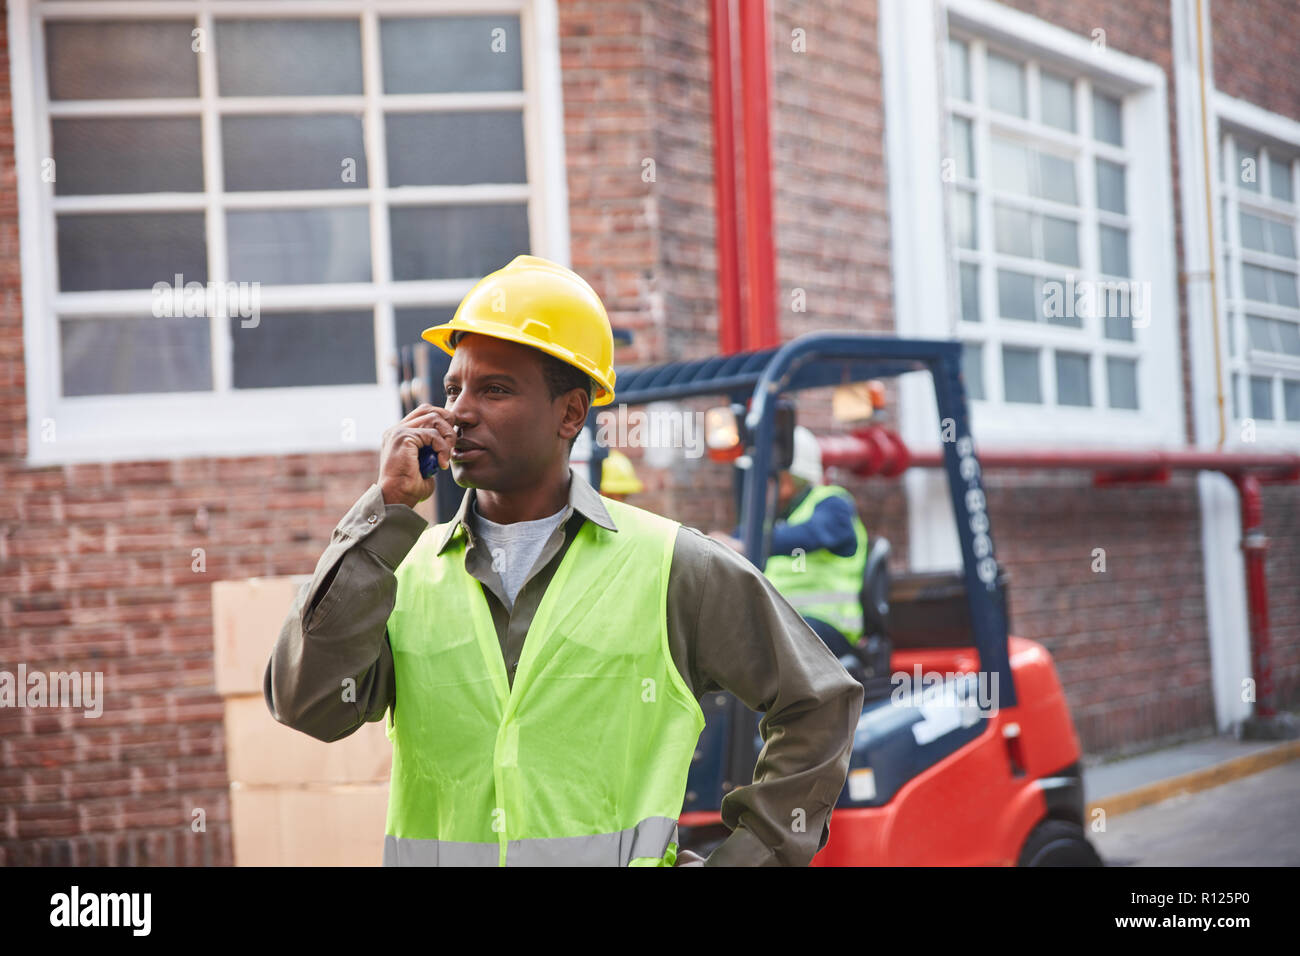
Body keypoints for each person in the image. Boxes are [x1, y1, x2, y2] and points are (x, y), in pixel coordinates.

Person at [264, 255, 863, 867]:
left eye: (494, 389)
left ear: (571, 413)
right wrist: (383, 514)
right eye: (452, 389)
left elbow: (819, 702)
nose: (459, 411)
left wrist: (749, 860)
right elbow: (307, 703)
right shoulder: (401, 574)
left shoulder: (674, 567)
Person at [710, 426, 869, 663]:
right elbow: (738, 542)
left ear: (786, 478)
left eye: (765, 477)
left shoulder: (833, 504)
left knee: (765, 650)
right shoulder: (767, 520)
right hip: (781, 624)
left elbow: (810, 535)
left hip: (827, 626)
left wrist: (742, 544)